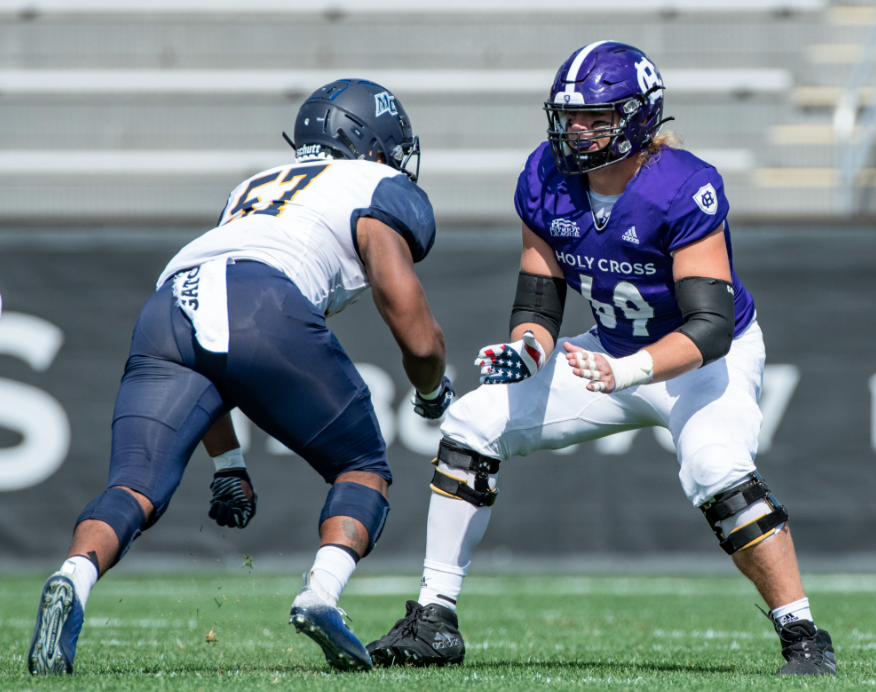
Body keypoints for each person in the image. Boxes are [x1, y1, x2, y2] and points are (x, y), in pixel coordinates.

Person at [366, 42, 836, 677]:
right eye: (570, 117)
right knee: (471, 422)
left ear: (640, 119)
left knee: (716, 468)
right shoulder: (545, 177)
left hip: (698, 365)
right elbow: (538, 298)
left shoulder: (682, 186)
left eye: (598, 118)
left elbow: (710, 326)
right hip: (607, 353)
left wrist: (630, 371)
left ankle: (804, 636)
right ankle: (433, 617)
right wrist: (526, 349)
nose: (578, 131)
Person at [27, 78, 453, 676]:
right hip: (262, 301)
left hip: (168, 306)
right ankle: (320, 596)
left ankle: (73, 574)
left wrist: (228, 465)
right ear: (370, 141)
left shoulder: (250, 187)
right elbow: (412, 325)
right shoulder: (373, 183)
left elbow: (212, 341)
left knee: (135, 485)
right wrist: (432, 391)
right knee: (363, 468)